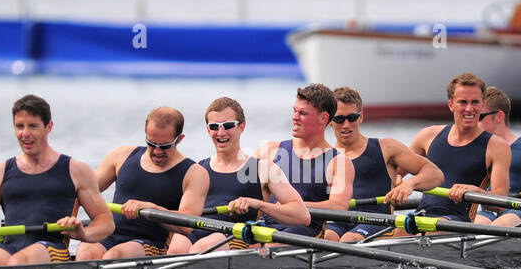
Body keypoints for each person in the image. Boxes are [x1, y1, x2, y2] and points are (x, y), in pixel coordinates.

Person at [0, 94, 113, 264]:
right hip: (11, 246)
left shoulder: (77, 171)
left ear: (48, 126)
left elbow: (106, 222)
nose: (25, 134)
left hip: (52, 248)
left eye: (33, 126)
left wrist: (83, 234)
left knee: (19, 261)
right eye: (19, 126)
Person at [77, 106, 208, 260]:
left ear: (179, 139)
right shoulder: (121, 155)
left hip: (150, 243)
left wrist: (152, 209)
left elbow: (186, 225)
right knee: (86, 253)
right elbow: (80, 191)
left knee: (113, 256)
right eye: (151, 143)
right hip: (109, 232)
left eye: (164, 146)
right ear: (145, 133)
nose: (157, 151)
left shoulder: (195, 173)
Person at [189, 97, 310, 254]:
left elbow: (302, 215)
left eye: (228, 126)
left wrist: (258, 204)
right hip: (196, 230)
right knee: (177, 246)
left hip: (235, 236)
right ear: (207, 129)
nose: (220, 132)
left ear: (242, 126)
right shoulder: (197, 168)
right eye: (214, 126)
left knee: (201, 248)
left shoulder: (264, 169)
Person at [328, 86, 443, 242]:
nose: (346, 125)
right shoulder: (325, 157)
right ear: (330, 121)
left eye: (352, 118)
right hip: (339, 222)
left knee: (349, 239)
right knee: (326, 237)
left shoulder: (386, 147)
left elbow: (435, 174)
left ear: (361, 117)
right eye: (339, 119)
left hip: (377, 222)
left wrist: (409, 184)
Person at [407, 73, 521, 226]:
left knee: (419, 228)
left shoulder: (497, 146)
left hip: (460, 222)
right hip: (421, 217)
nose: (469, 109)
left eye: (475, 102)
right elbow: (396, 173)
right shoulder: (428, 136)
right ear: (451, 105)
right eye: (463, 102)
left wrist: (476, 191)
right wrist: (400, 183)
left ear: (482, 105)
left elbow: (500, 203)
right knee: (394, 231)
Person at [256, 83, 355, 240]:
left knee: (269, 245)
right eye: (294, 111)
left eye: (302, 113)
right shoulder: (270, 151)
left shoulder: (339, 163)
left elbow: (339, 207)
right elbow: (252, 195)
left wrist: (294, 207)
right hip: (265, 227)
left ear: (323, 118)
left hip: (305, 233)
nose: (295, 117)